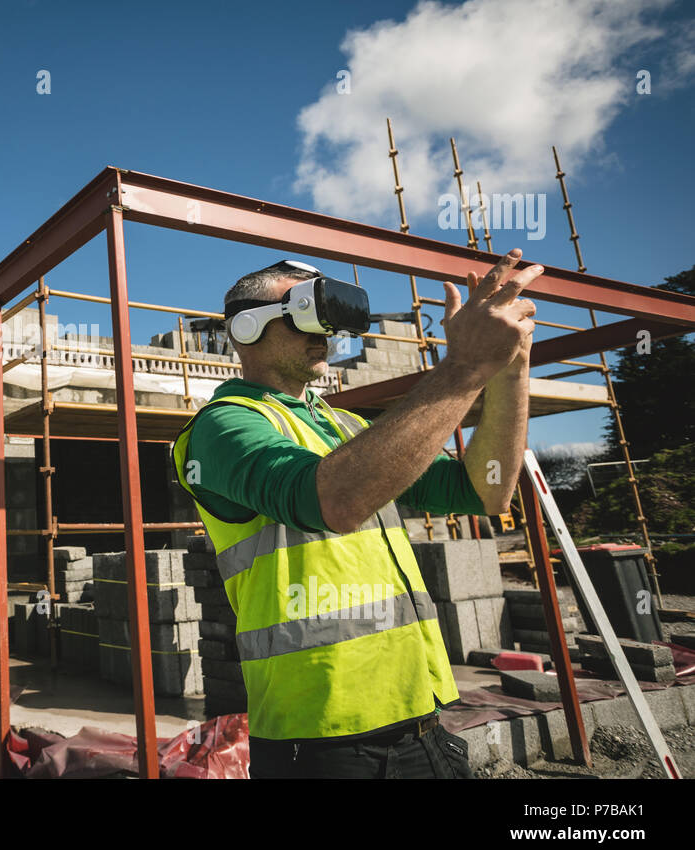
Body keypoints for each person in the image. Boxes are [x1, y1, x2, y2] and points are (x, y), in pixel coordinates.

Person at [172, 249, 541, 778]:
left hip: (422, 715)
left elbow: (482, 492)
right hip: (325, 737)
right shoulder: (223, 426)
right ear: (246, 327)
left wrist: (509, 368)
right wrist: (464, 367)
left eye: (327, 318)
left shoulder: (344, 426)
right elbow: (333, 502)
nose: (323, 331)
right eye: (303, 313)